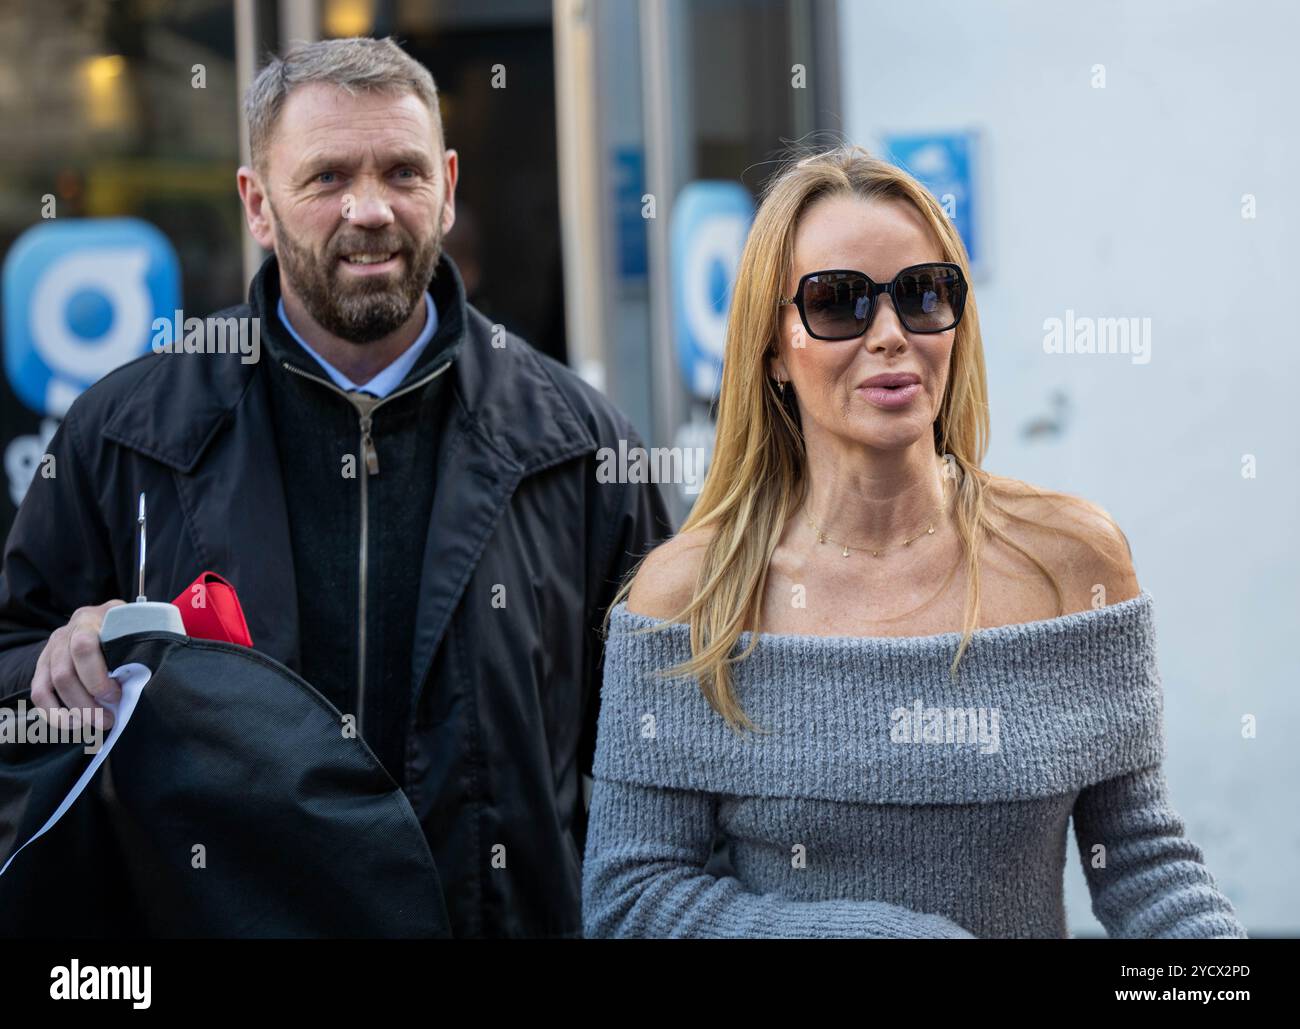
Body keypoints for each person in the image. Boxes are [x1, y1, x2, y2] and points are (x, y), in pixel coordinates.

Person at [0, 36, 672, 938]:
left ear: (449, 181)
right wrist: (57, 668)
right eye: (326, 178)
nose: (370, 210)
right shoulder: (126, 435)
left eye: (402, 171)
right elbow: (15, 687)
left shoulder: (577, 446)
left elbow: (667, 756)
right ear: (258, 204)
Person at [581, 143, 1248, 939]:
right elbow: (631, 899)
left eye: (924, 295)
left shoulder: (1075, 560)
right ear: (772, 352)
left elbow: (1142, 862)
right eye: (839, 303)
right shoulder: (690, 593)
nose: (891, 333)